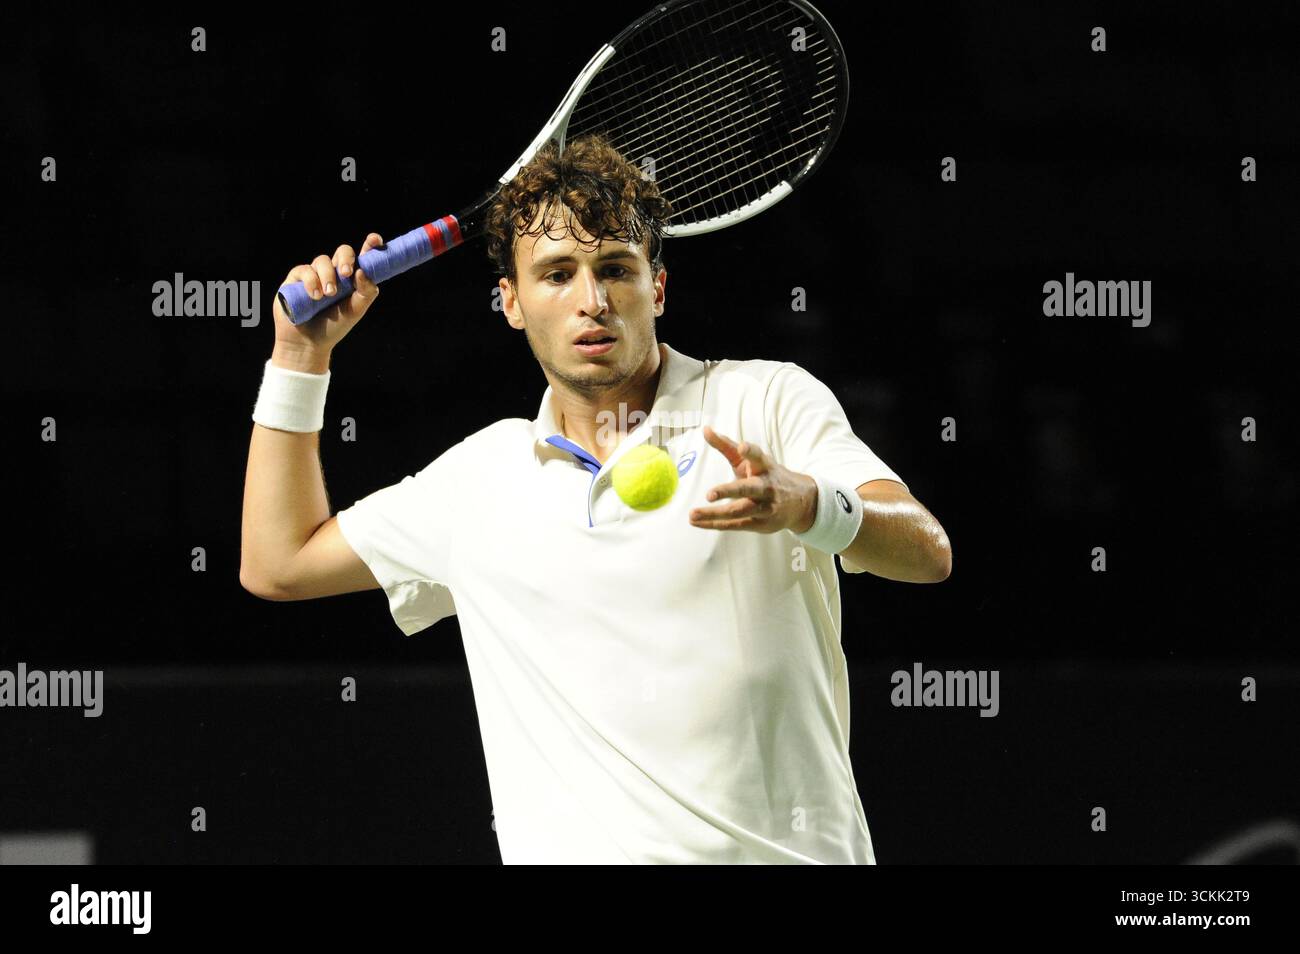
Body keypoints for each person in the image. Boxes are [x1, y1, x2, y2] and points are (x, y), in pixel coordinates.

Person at [240, 133, 952, 864]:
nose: (592, 301)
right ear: (510, 302)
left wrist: (810, 506)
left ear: (659, 288)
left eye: (616, 268)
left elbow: (927, 552)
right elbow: (277, 562)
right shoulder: (479, 480)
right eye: (557, 274)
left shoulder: (764, 401)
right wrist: (299, 357)